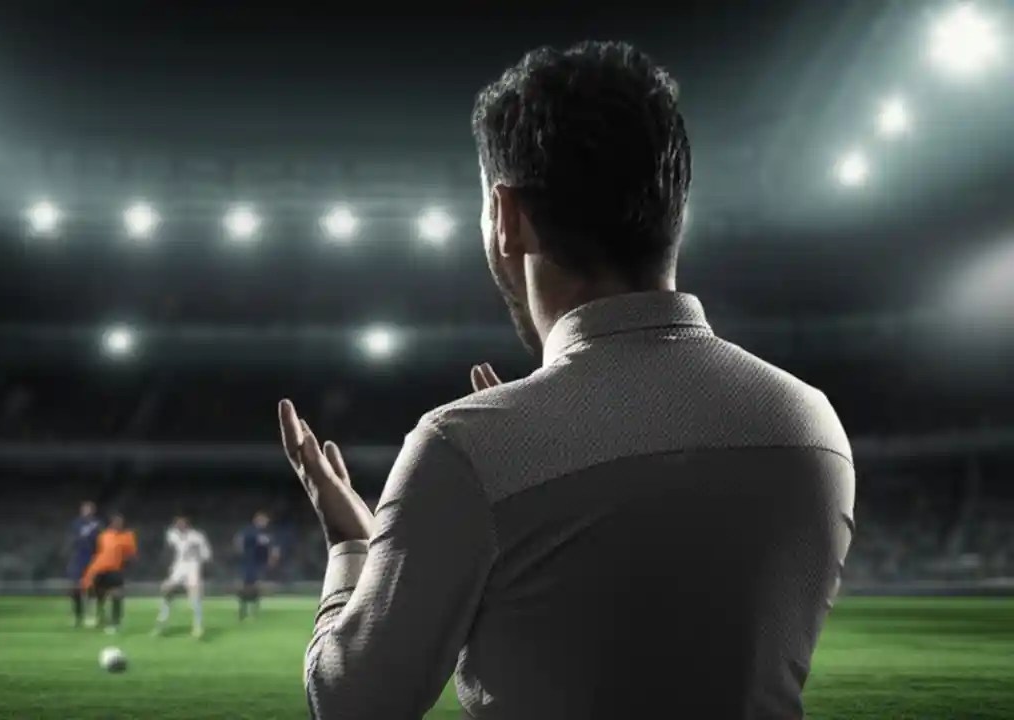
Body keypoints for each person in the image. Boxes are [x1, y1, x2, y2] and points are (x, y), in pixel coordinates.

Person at [278, 40, 855, 719]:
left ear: (507, 217)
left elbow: (351, 706)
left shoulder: (462, 449)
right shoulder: (811, 423)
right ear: (675, 208)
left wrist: (354, 547)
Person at [154, 515, 211, 638]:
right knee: (167, 592)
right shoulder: (172, 534)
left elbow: (206, 554)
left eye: (182, 523)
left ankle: (198, 627)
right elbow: (170, 548)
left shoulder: (198, 536)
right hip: (178, 568)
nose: (180, 525)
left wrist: (198, 563)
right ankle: (161, 624)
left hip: (193, 568)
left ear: (188, 524)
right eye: (178, 523)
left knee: (195, 598)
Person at [79, 512, 136, 635]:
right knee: (96, 594)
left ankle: (115, 623)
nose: (118, 524)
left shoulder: (128, 536)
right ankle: (97, 616)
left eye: (120, 522)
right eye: (116, 521)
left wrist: (123, 564)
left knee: (117, 595)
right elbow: (98, 552)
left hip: (115, 570)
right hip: (99, 569)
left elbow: (130, 555)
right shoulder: (103, 536)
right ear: (112, 523)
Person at [235, 510, 280, 621]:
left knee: (256, 587)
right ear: (257, 520)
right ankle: (243, 610)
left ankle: (253, 610)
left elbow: (273, 547)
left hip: (259, 563)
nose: (265, 522)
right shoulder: (249, 530)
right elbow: (239, 540)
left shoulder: (268, 533)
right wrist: (241, 552)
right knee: (246, 587)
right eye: (263, 520)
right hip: (248, 562)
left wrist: (272, 558)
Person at [66, 501, 102, 627]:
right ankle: (78, 615)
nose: (87, 511)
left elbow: (101, 541)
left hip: (93, 559)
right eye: (85, 509)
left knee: (92, 588)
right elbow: (74, 539)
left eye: (89, 509)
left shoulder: (98, 524)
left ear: (93, 511)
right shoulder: (76, 523)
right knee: (75, 588)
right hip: (78, 559)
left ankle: (92, 615)